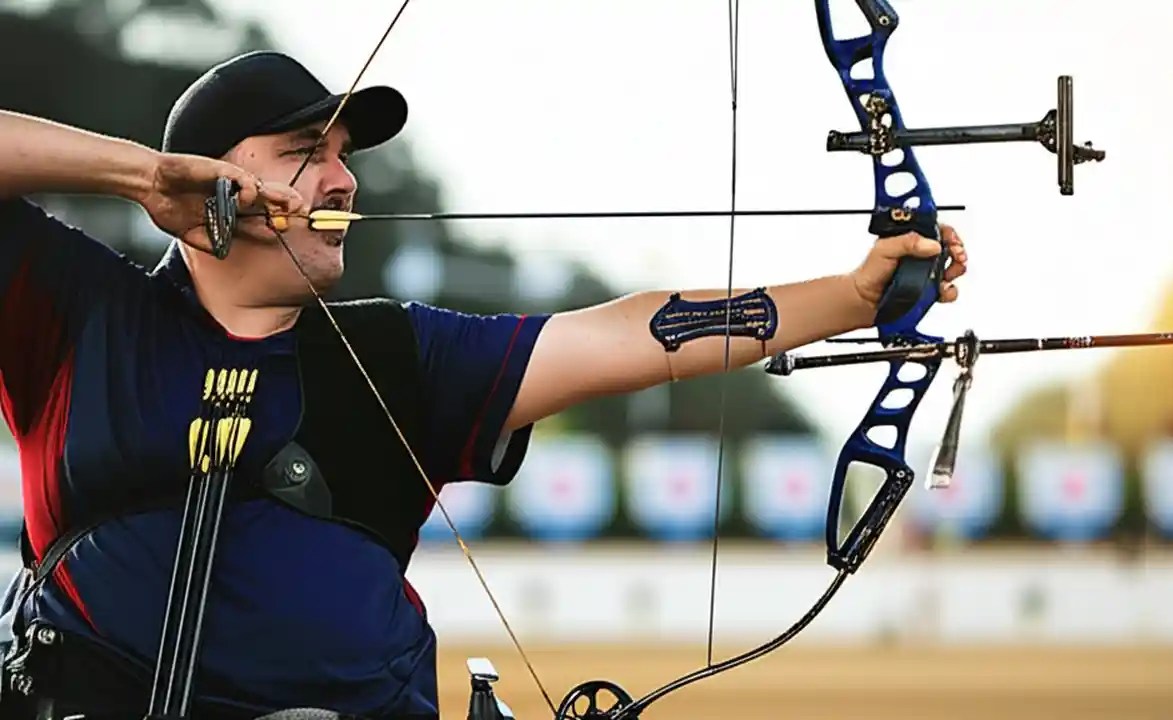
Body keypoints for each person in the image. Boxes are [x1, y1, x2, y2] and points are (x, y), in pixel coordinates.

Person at [0, 51, 968, 719]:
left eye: (344, 156)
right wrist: (142, 176)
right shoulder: (81, 314)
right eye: (305, 151)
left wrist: (850, 297)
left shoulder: (398, 354)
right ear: (209, 178)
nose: (342, 181)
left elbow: (624, 336)